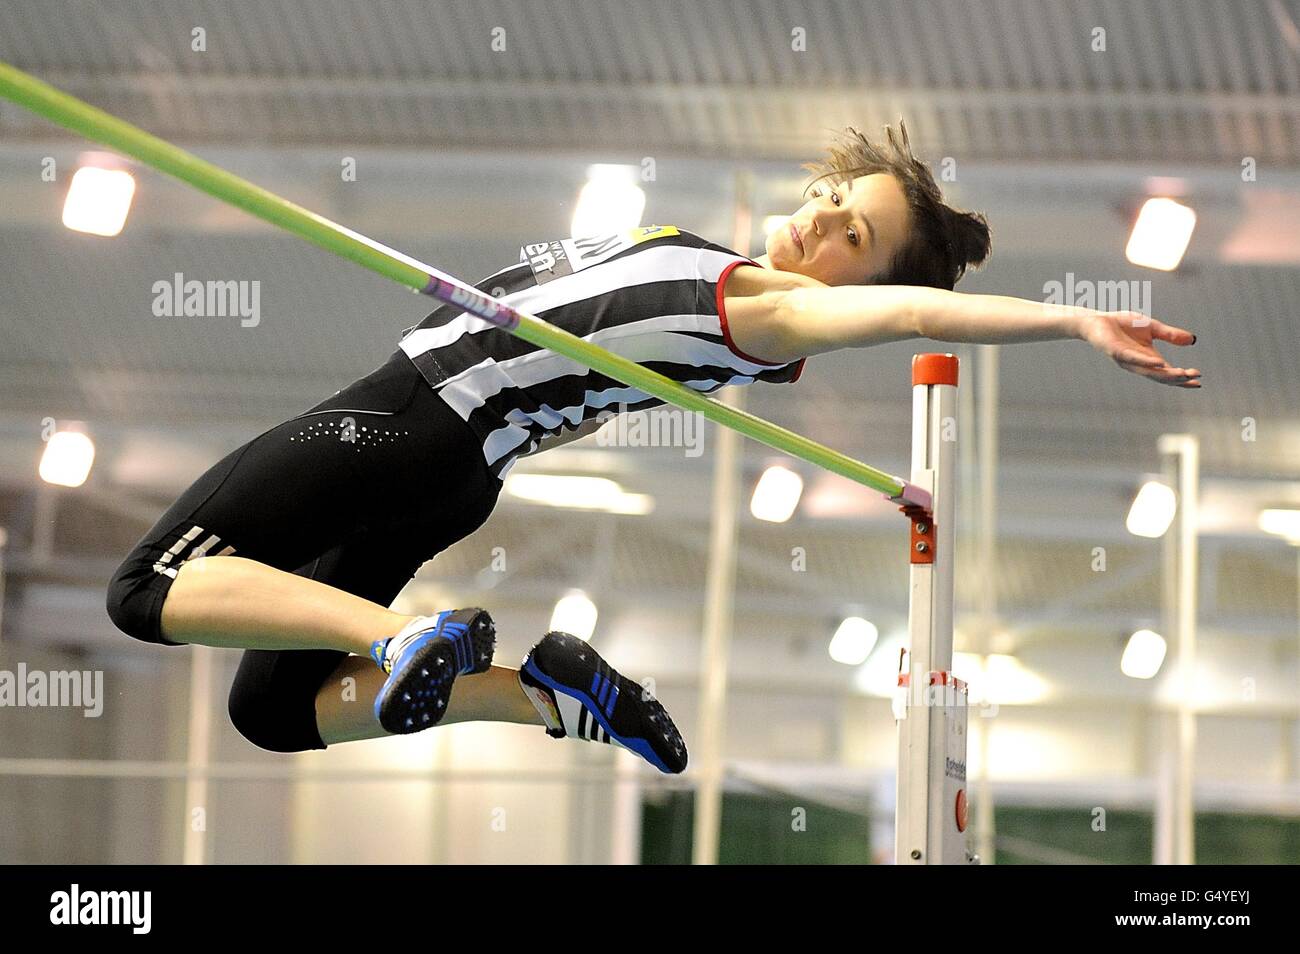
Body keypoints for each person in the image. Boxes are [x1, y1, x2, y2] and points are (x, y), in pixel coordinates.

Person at [105, 121, 1200, 775]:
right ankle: (543, 695)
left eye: (851, 237)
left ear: (865, 281)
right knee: (269, 714)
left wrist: (1070, 319)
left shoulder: (770, 313)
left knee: (145, 586)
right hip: (454, 478)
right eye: (829, 197)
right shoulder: (724, 295)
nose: (819, 220)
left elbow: (919, 317)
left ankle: (401, 639)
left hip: (404, 421)